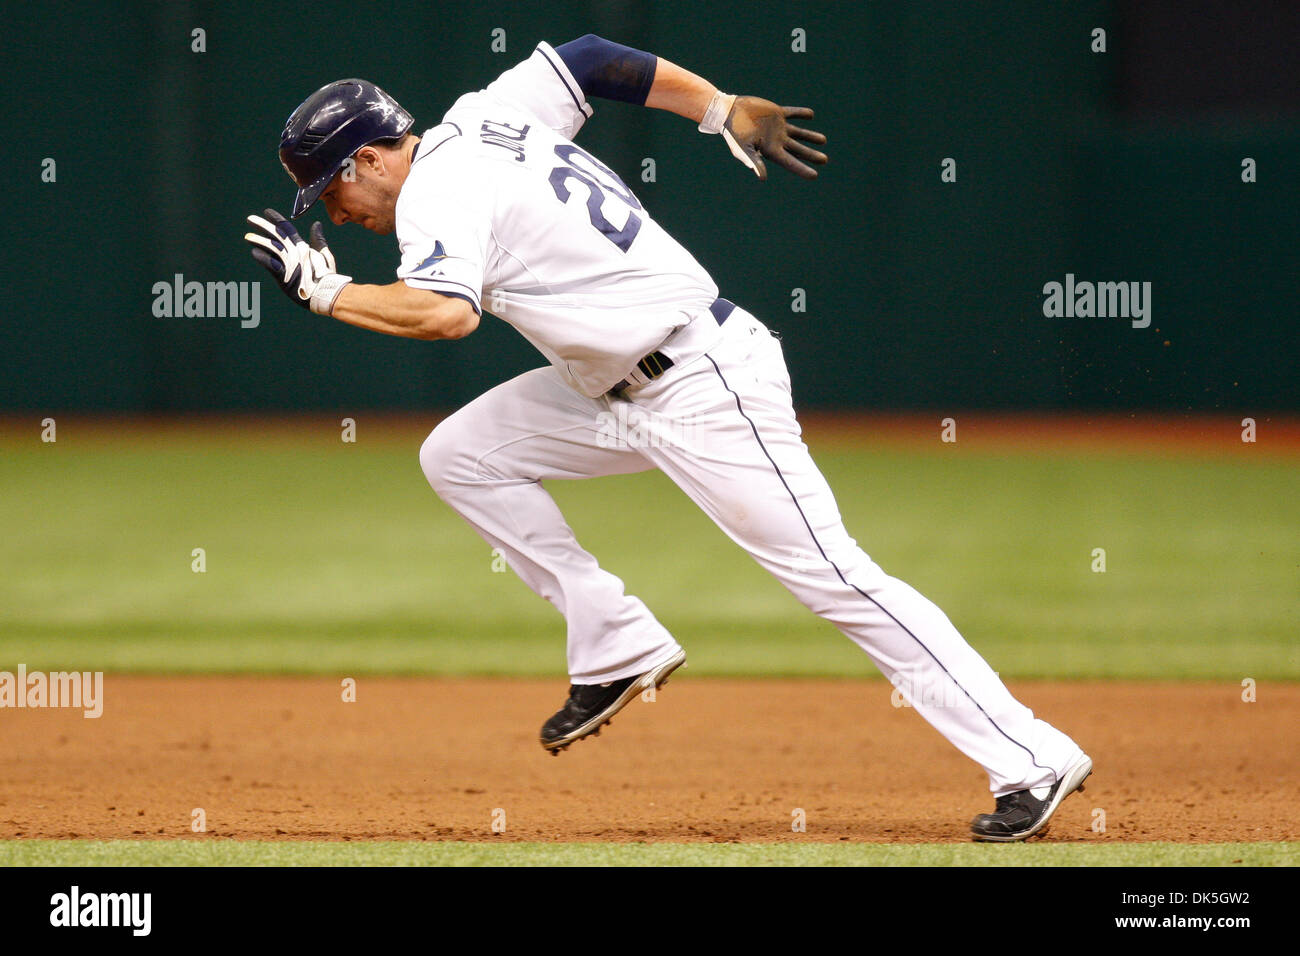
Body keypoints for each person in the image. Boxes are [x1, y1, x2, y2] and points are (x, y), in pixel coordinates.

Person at [246, 34, 1092, 841]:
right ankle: (615, 640)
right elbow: (590, 61)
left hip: (701, 381)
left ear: (366, 158)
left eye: (329, 193)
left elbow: (445, 313)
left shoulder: (436, 191)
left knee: (835, 578)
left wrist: (328, 296)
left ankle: (1030, 758)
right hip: (611, 386)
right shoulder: (486, 111)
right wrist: (716, 107)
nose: (337, 213)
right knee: (460, 455)